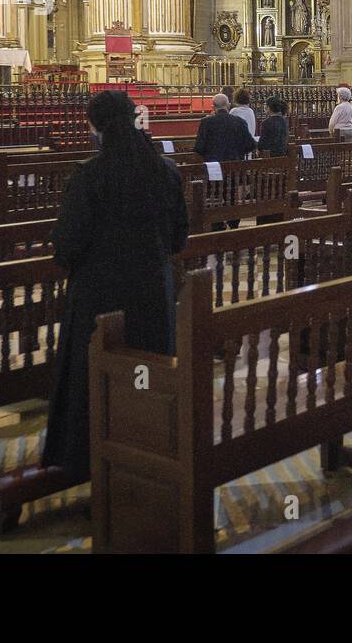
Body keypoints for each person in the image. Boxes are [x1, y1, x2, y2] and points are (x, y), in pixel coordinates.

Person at [42, 90, 189, 482]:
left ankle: (85, 462)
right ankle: (149, 453)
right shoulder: (166, 171)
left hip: (98, 300)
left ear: (93, 126)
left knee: (94, 380)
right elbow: (178, 239)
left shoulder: (88, 175)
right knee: (147, 373)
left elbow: (68, 246)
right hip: (152, 294)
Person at [193, 92, 257, 228]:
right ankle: (233, 223)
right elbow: (251, 144)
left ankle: (217, 224)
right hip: (234, 168)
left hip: (213, 169)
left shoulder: (206, 122)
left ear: (213, 107)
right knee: (232, 195)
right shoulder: (239, 122)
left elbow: (198, 147)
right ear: (228, 105)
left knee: (214, 195)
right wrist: (238, 153)